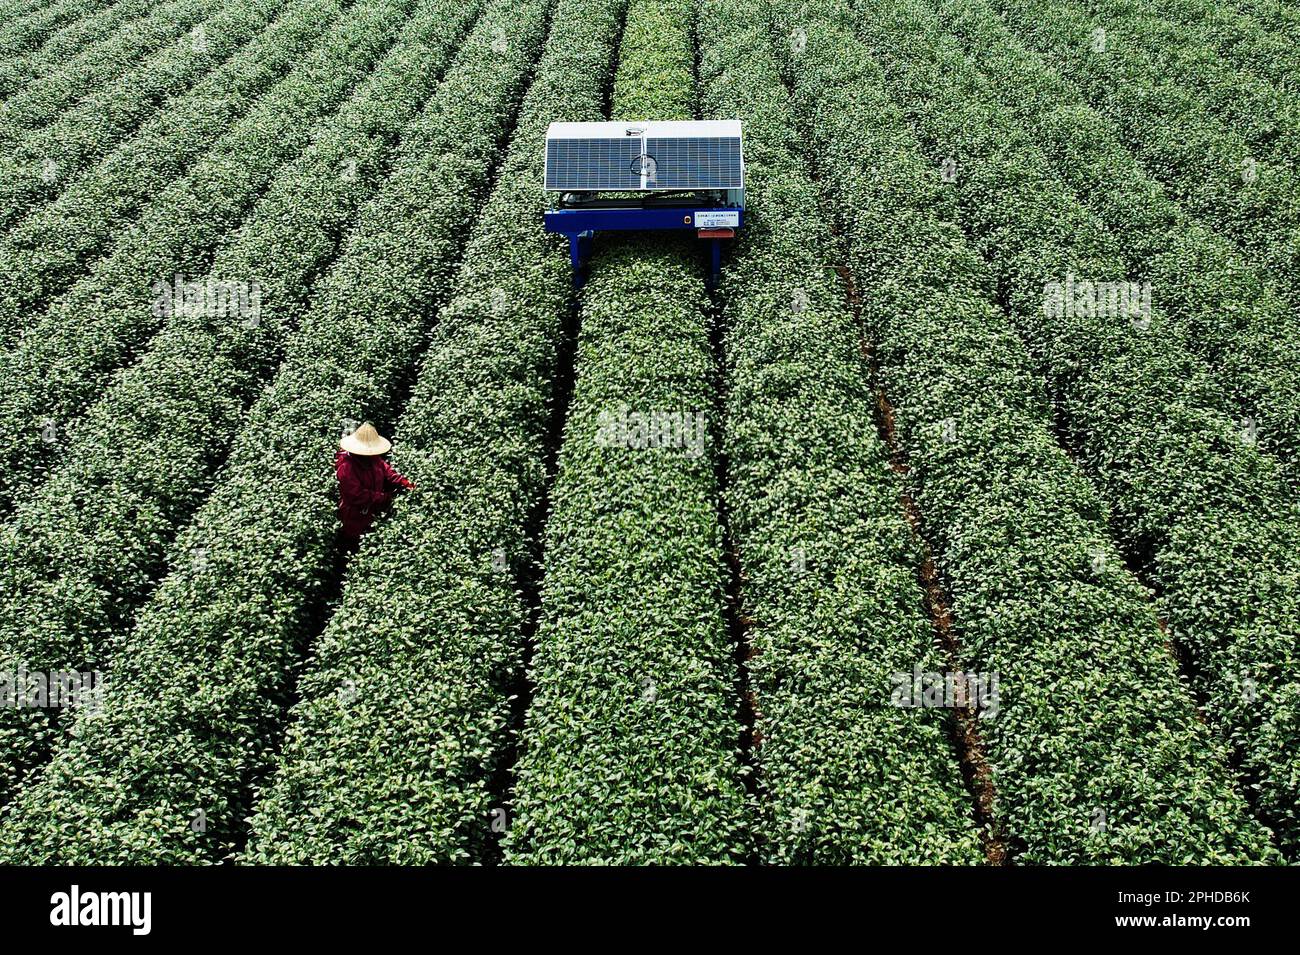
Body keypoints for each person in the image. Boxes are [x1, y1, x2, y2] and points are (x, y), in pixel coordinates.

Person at [336, 423, 414, 551]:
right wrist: (385, 497)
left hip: (374, 511)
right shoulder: (346, 467)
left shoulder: (373, 459)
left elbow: (388, 472)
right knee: (354, 545)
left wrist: (404, 483)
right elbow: (356, 495)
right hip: (355, 517)